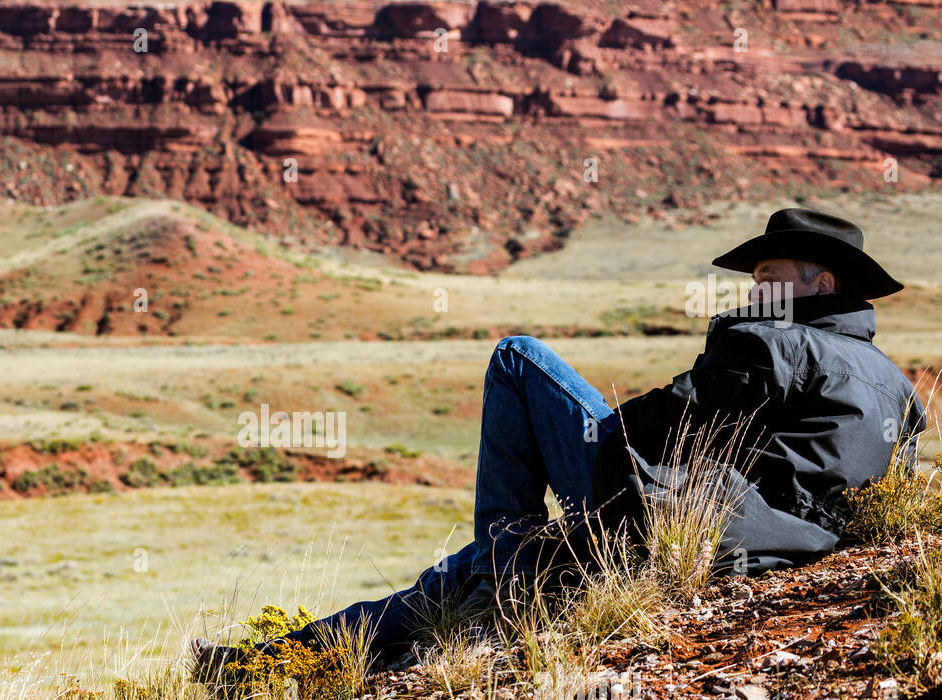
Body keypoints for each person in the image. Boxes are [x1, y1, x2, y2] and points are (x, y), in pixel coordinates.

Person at [193, 208, 927, 676]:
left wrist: (632, 421)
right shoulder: (902, 392)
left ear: (820, 282)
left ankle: (501, 564)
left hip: (690, 524)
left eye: (768, 277)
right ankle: (267, 668)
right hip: (753, 541)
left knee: (517, 357)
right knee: (453, 580)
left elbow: (666, 420)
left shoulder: (782, 345)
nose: (753, 291)